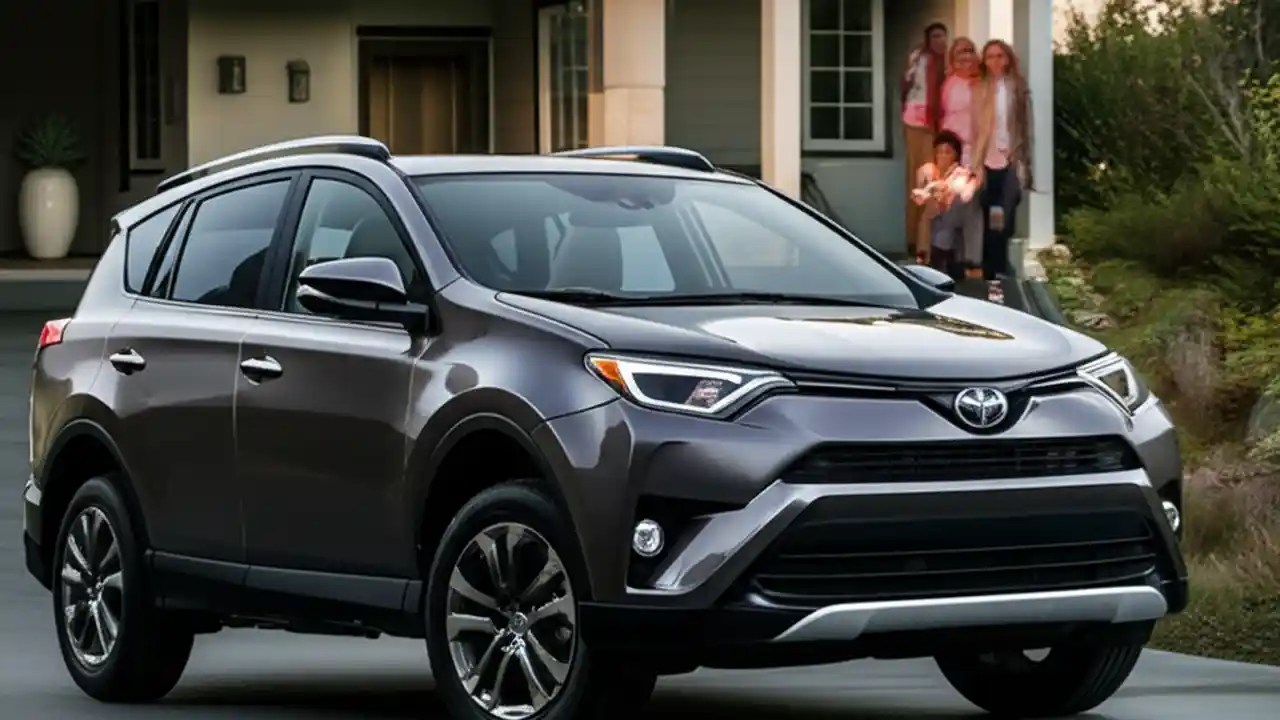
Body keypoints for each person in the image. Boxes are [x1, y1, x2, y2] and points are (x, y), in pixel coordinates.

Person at [970, 39, 1032, 303]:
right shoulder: (981, 88)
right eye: (990, 56)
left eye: (1000, 56)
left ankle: (1000, 270)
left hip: (1011, 162)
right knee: (992, 222)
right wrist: (975, 164)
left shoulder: (1017, 87)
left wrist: (1023, 161)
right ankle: (993, 278)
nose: (995, 61)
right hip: (988, 162)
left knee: (1004, 221)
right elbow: (976, 128)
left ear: (1007, 59)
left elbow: (1025, 126)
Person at [900, 22, 949, 256]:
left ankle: (927, 243)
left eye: (943, 36)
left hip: (937, 125)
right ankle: (913, 241)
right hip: (914, 120)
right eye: (935, 36)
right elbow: (906, 85)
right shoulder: (918, 57)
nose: (939, 41)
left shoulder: (948, 61)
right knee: (917, 179)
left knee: (933, 180)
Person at [939, 36, 984, 279]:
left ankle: (972, 260)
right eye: (959, 54)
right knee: (951, 206)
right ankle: (952, 260)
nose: (965, 57)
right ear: (953, 60)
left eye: (969, 51)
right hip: (952, 151)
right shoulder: (949, 84)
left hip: (974, 151)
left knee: (971, 207)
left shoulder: (982, 84)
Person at [911, 130, 978, 281]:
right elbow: (919, 195)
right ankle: (925, 256)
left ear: (956, 155)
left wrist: (935, 190)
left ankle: (931, 258)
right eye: (939, 152)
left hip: (954, 223)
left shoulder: (961, 173)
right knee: (929, 214)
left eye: (947, 152)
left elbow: (958, 190)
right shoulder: (928, 171)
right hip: (934, 222)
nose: (942, 156)